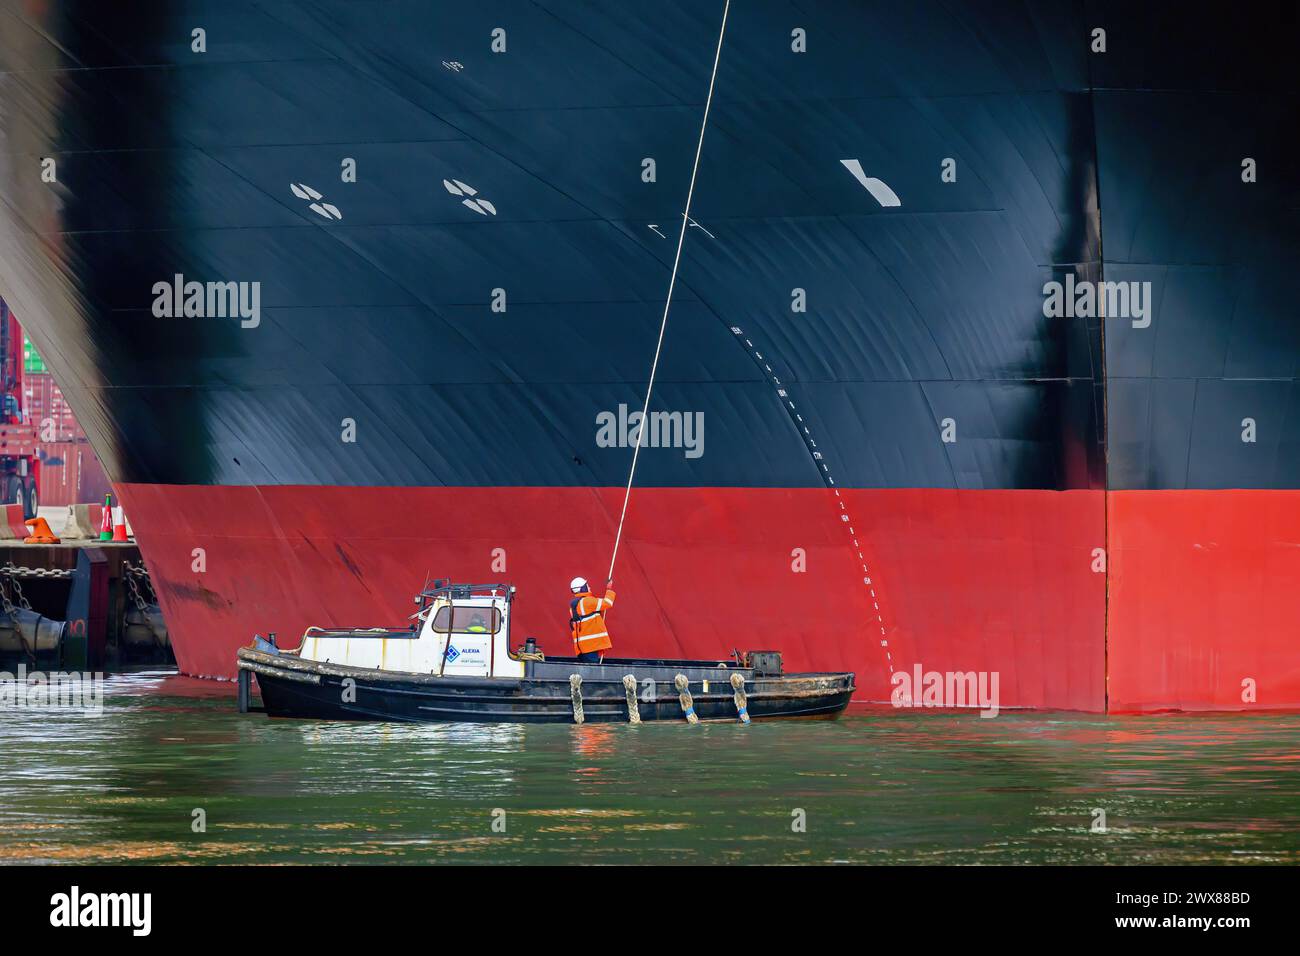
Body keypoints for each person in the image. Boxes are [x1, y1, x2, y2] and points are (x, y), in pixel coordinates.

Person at [569, 576, 615, 662]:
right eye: (587, 585)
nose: (589, 587)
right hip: (591, 646)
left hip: (581, 648)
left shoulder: (573, 606)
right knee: (592, 671)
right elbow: (608, 603)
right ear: (583, 588)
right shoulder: (588, 601)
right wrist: (609, 589)